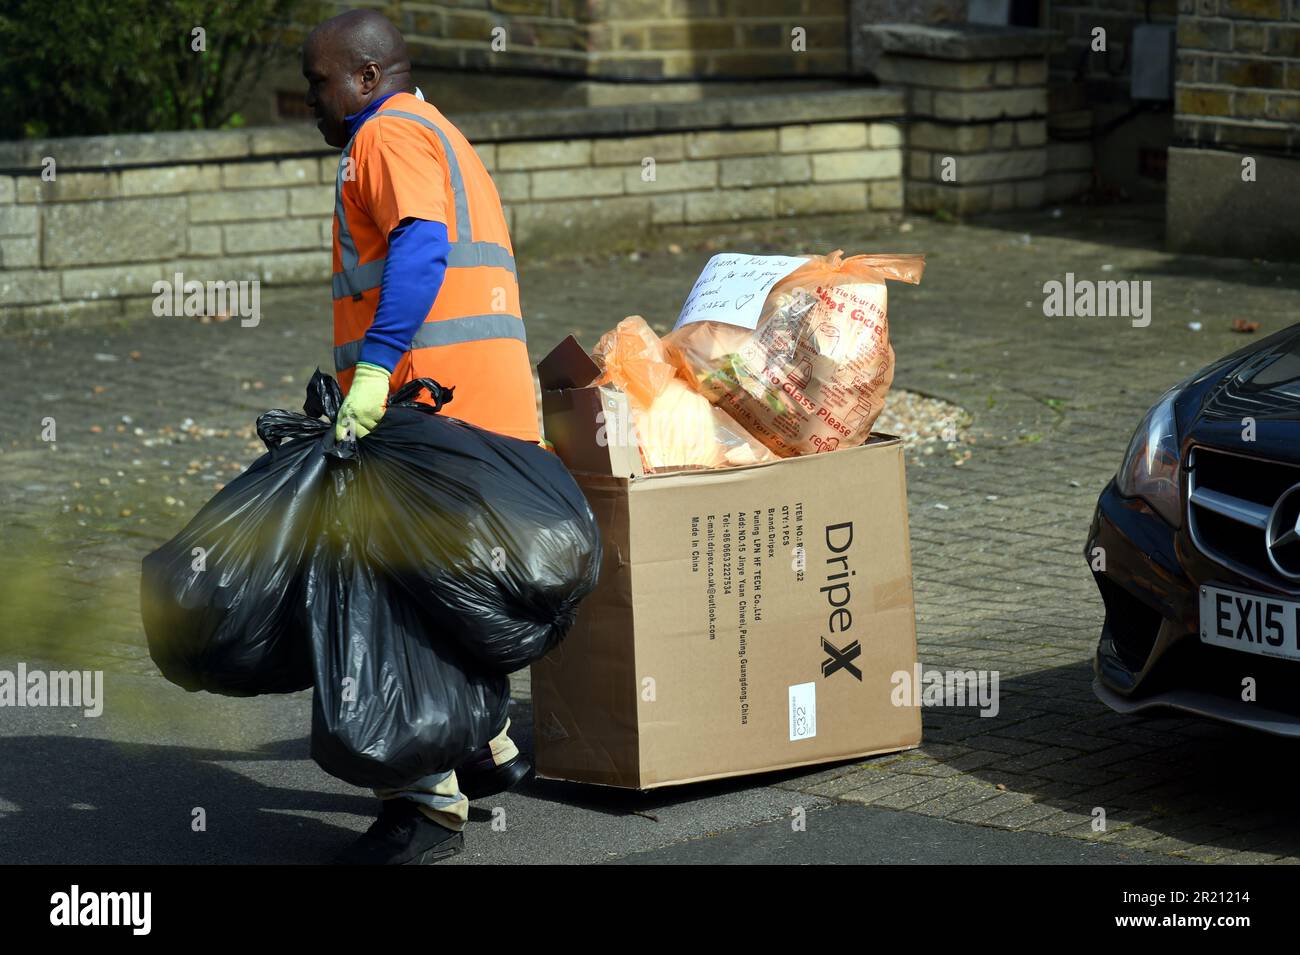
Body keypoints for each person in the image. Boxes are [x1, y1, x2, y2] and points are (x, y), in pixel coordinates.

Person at [303, 8, 536, 865]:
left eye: (319, 82)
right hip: (486, 411)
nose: (313, 103)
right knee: (449, 587)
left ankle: (424, 803)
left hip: (425, 409)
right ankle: (487, 748)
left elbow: (423, 246)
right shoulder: (441, 129)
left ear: (365, 77)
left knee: (394, 597)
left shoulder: (386, 135)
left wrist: (374, 373)